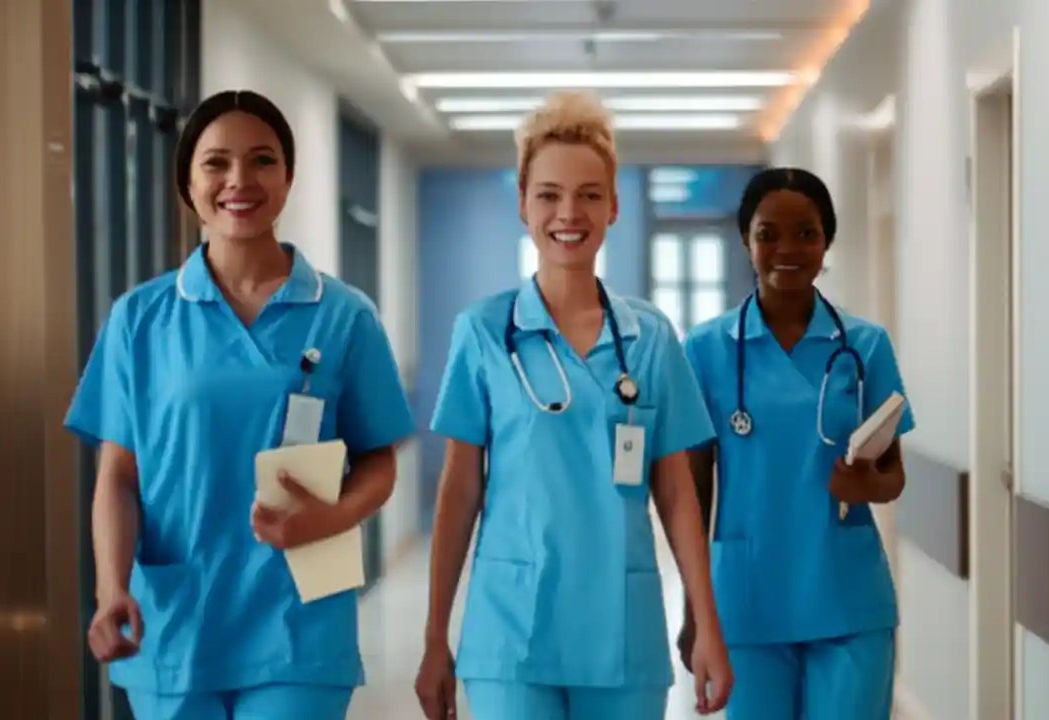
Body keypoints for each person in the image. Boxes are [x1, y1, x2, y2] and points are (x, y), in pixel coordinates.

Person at [65, 90, 415, 720]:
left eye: (262, 161)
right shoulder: (140, 320)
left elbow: (379, 462)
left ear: (288, 177)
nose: (239, 181)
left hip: (299, 624)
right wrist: (111, 585)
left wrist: (328, 518)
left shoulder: (343, 317)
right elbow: (119, 475)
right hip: (175, 619)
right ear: (187, 180)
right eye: (215, 163)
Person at [414, 91, 733, 720]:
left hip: (621, 628)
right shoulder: (483, 333)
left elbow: (676, 492)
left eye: (590, 194)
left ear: (613, 206)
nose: (569, 212)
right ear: (523, 205)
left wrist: (707, 624)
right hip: (510, 630)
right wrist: (433, 638)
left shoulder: (651, 337)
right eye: (549, 194)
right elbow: (459, 491)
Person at [676, 167, 914, 720]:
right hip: (747, 599)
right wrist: (696, 613)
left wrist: (867, 483)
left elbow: (893, 475)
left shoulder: (865, 345)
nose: (787, 248)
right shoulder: (707, 349)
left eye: (806, 232)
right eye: (768, 234)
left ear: (827, 240)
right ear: (746, 240)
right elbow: (693, 495)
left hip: (847, 599)